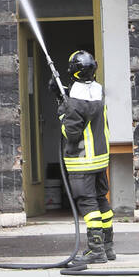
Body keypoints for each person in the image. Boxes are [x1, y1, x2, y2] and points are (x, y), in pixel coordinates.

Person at [58, 49, 116, 265]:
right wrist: (64, 98)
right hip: (101, 159)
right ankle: (108, 247)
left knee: (88, 203)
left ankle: (96, 249)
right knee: (102, 199)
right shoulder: (98, 93)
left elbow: (71, 134)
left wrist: (62, 111)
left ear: (73, 71)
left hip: (82, 161)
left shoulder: (74, 102)